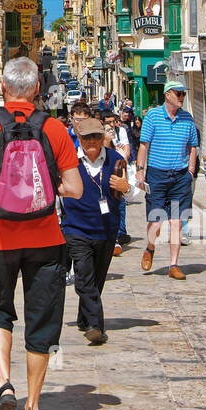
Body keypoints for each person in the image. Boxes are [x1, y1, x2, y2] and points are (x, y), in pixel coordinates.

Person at [0, 57, 83, 410]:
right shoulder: (55, 128)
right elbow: (75, 189)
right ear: (36, 90)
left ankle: (3, 383)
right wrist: (47, 188)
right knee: (41, 322)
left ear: (3, 88)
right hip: (46, 240)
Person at [62, 118, 133, 344]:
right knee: (83, 277)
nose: (92, 142)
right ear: (79, 138)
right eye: (86, 137)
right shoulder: (68, 160)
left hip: (106, 230)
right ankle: (95, 326)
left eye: (96, 137)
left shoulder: (116, 160)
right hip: (75, 228)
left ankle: (84, 317)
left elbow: (133, 193)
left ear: (103, 138)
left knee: (97, 279)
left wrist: (126, 188)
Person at [134, 80, 199, 281]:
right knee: (156, 220)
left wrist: (190, 170)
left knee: (177, 222)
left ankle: (173, 264)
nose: (181, 97)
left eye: (183, 94)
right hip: (157, 174)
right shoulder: (153, 116)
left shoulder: (187, 118)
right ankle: (150, 248)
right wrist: (140, 170)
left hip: (180, 176)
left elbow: (193, 147)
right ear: (167, 94)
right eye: (178, 93)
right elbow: (144, 145)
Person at [106, 113, 133, 250]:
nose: (111, 128)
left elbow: (125, 154)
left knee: (119, 207)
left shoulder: (121, 132)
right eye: (108, 126)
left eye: (113, 123)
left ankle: (118, 236)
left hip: (117, 184)